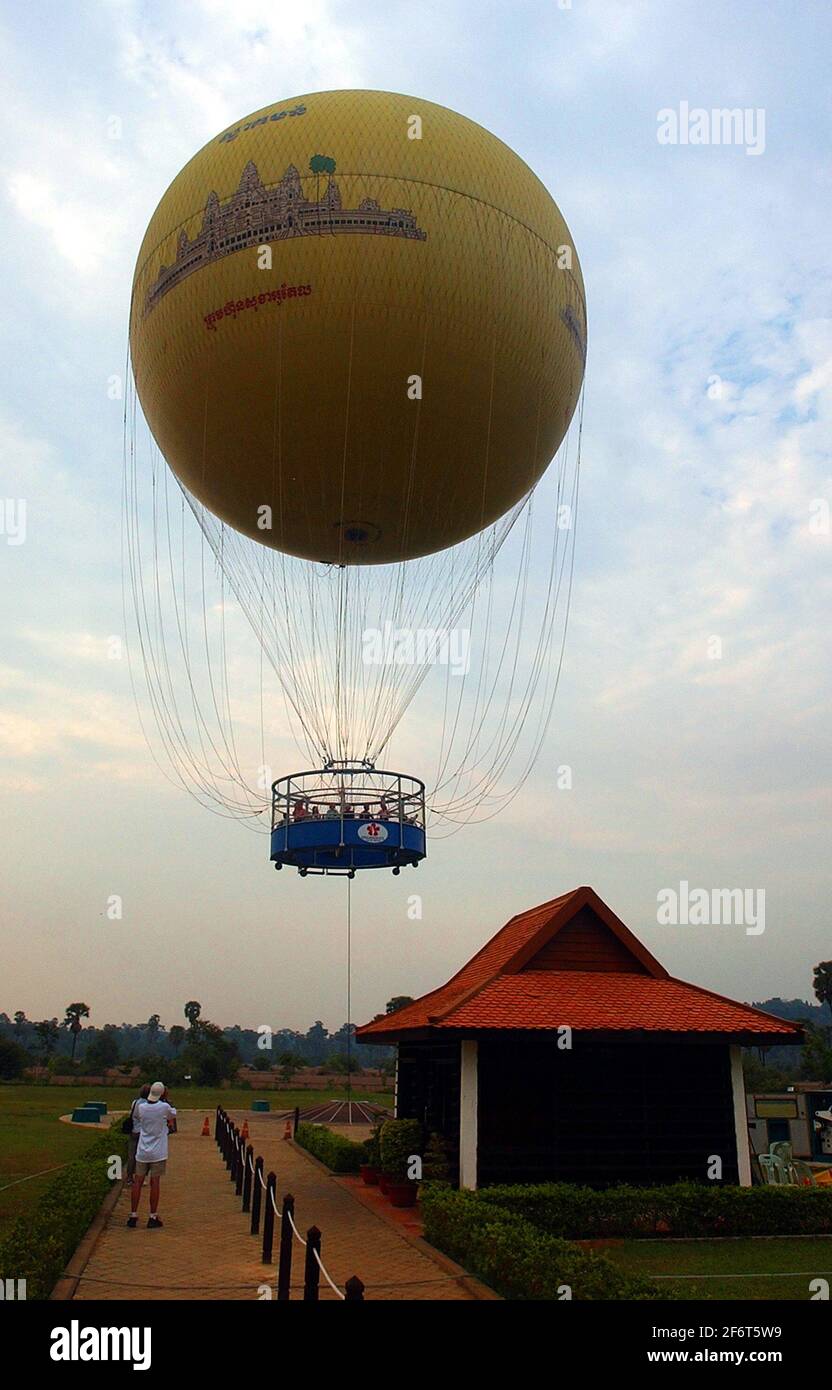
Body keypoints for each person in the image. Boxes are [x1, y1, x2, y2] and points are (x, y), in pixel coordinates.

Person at [128, 1080, 177, 1229]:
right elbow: (172, 1114)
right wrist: (165, 1099)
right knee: (155, 1183)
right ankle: (152, 1215)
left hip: (142, 1150)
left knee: (137, 1182)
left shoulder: (142, 1107)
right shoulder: (164, 1107)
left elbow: (138, 1116)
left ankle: (133, 1215)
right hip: (158, 1152)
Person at [125, 1083, 151, 1182]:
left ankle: (129, 1176)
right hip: (144, 1133)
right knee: (144, 1156)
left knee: (132, 1155)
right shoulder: (148, 1105)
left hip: (134, 1130)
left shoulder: (135, 1102)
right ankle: (141, 1175)